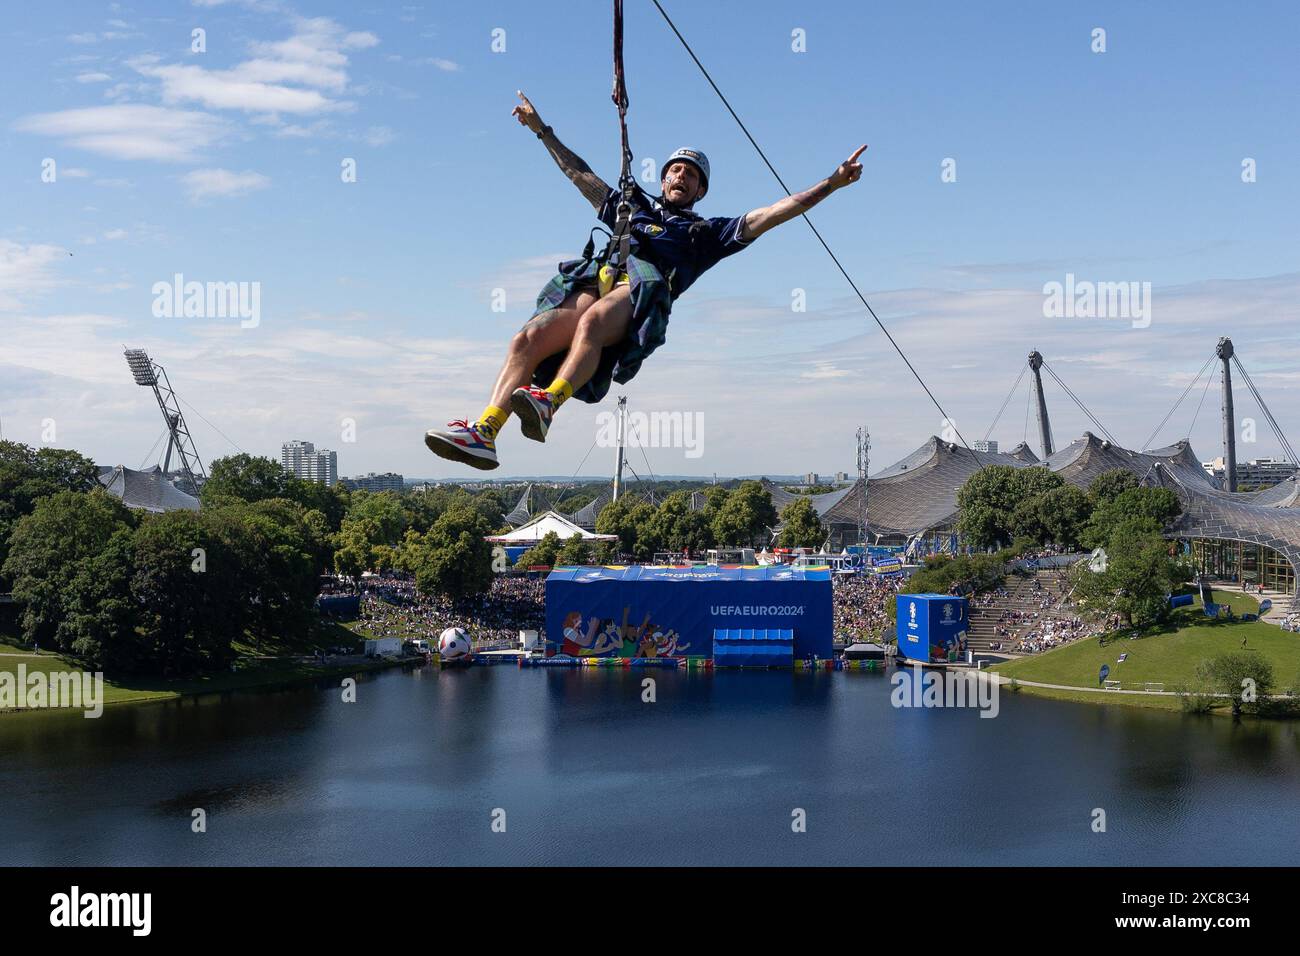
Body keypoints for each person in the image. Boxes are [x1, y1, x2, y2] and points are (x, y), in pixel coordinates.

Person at [425, 91, 867, 469]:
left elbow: (771, 214)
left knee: (595, 321)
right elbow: (579, 174)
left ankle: (549, 402)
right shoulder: (630, 207)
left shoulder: (704, 234)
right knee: (527, 338)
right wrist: (542, 130)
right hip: (600, 278)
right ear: (664, 177)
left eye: (691, 175)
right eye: (676, 169)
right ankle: (486, 430)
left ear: (700, 192)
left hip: (638, 297)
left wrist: (831, 183)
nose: (681, 176)